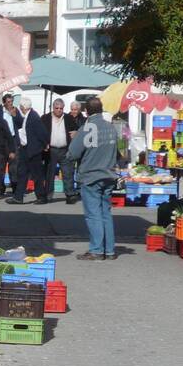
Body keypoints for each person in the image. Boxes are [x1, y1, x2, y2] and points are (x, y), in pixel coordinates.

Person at [65, 95, 120, 260]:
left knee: (93, 214)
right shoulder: (111, 127)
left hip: (91, 176)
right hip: (109, 175)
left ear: (86, 111)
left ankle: (96, 250)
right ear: (101, 109)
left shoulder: (88, 127)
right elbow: (119, 152)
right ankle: (109, 250)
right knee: (106, 213)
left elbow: (73, 153)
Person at [10, 97, 50, 203]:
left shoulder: (34, 117)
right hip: (25, 149)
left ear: (23, 107)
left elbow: (42, 132)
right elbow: (23, 128)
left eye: (20, 107)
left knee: (37, 175)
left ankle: (41, 197)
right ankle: (18, 197)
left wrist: (45, 144)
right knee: (22, 173)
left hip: (33, 150)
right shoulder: (28, 116)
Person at [42, 97, 80, 204]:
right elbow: (40, 133)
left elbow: (77, 129)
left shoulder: (68, 118)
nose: (59, 110)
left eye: (61, 108)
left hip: (65, 149)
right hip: (51, 149)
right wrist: (43, 144)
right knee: (49, 173)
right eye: (57, 108)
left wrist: (76, 133)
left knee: (68, 172)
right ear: (53, 108)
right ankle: (48, 195)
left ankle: (70, 194)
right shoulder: (45, 118)